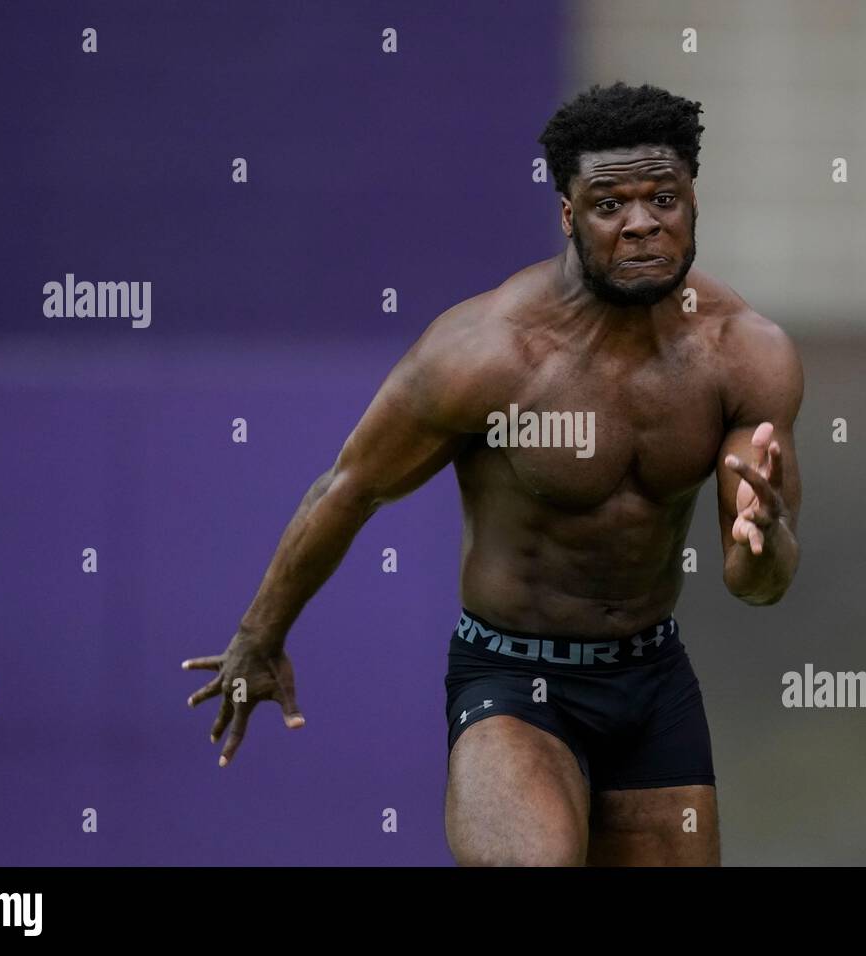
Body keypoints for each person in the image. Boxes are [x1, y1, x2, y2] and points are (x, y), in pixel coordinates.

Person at [182, 81, 803, 866]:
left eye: (664, 198)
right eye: (610, 204)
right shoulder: (488, 352)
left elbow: (759, 583)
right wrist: (258, 636)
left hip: (652, 682)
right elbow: (350, 487)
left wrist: (765, 540)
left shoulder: (746, 354)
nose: (642, 222)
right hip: (513, 679)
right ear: (570, 216)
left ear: (693, 204)